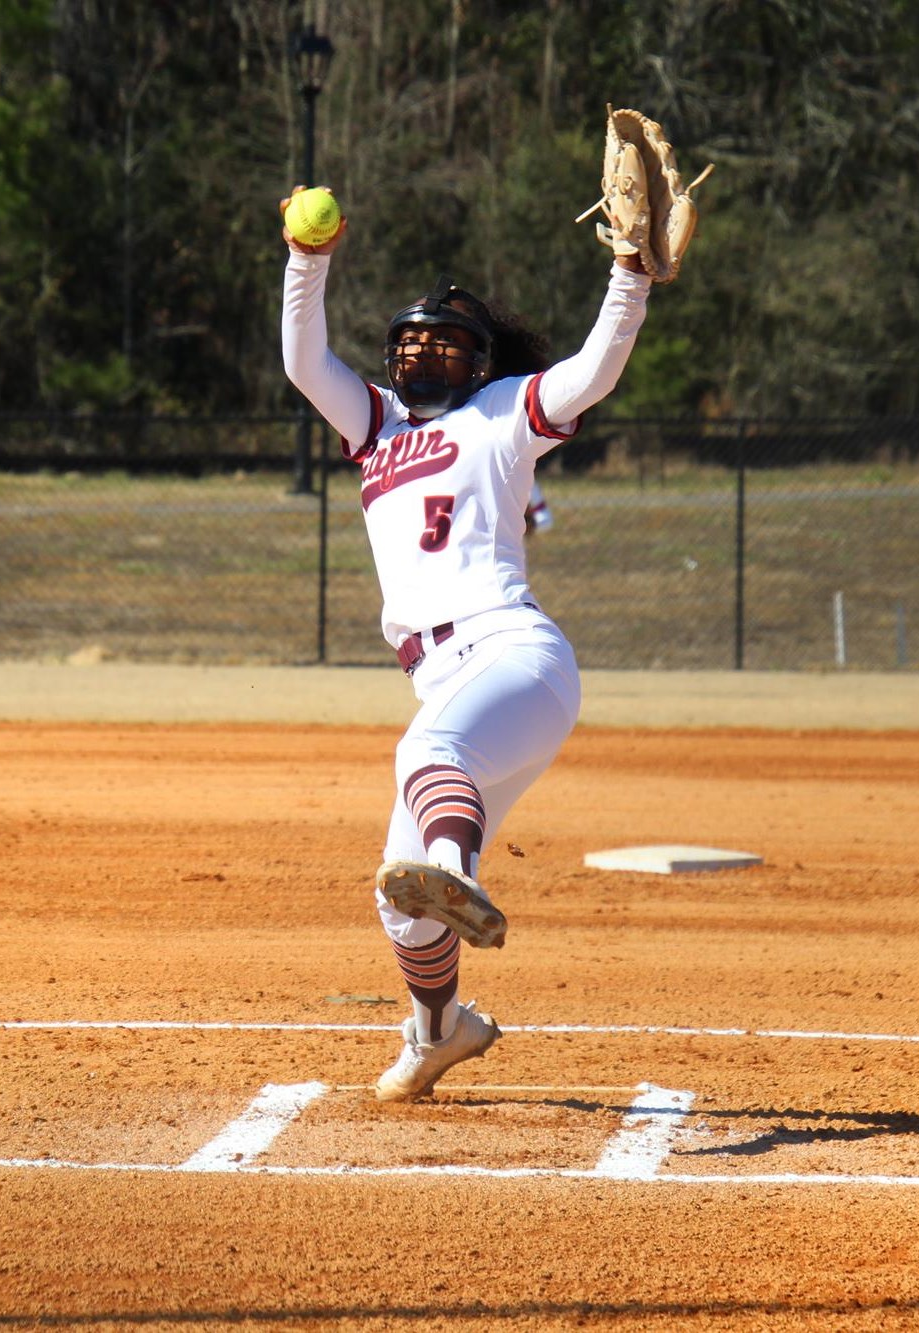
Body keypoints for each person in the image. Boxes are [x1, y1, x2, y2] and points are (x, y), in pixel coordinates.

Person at [280, 186, 655, 1100]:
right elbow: (301, 362)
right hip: (441, 674)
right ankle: (440, 1029)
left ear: (479, 359)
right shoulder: (372, 426)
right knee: (395, 905)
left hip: (512, 652)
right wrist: (306, 257)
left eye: (444, 339)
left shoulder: (500, 411)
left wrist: (629, 274)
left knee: (427, 758)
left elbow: (593, 370)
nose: (421, 349)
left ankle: (453, 871)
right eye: (409, 338)